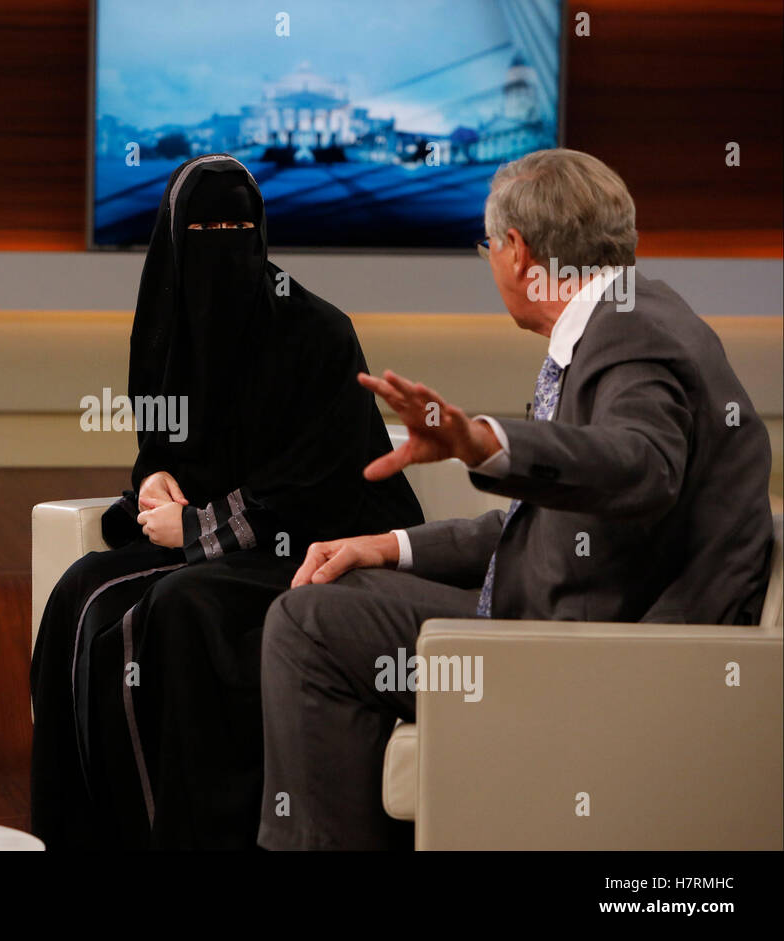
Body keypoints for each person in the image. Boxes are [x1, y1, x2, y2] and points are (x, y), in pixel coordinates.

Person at [258, 148, 775, 850]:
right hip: (569, 622)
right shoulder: (630, 314)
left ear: (516, 249)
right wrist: (390, 546)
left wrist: (480, 440)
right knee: (338, 598)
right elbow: (547, 516)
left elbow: (642, 463)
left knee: (306, 625)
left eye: (486, 245)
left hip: (598, 656)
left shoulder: (633, 335)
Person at [29, 154, 425, 849]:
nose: (226, 243)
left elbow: (320, 483)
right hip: (216, 542)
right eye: (208, 227)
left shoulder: (316, 332)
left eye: (241, 226)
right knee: (77, 597)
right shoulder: (165, 323)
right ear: (177, 240)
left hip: (319, 541)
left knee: (180, 610)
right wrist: (153, 479)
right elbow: (164, 442)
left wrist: (196, 526)